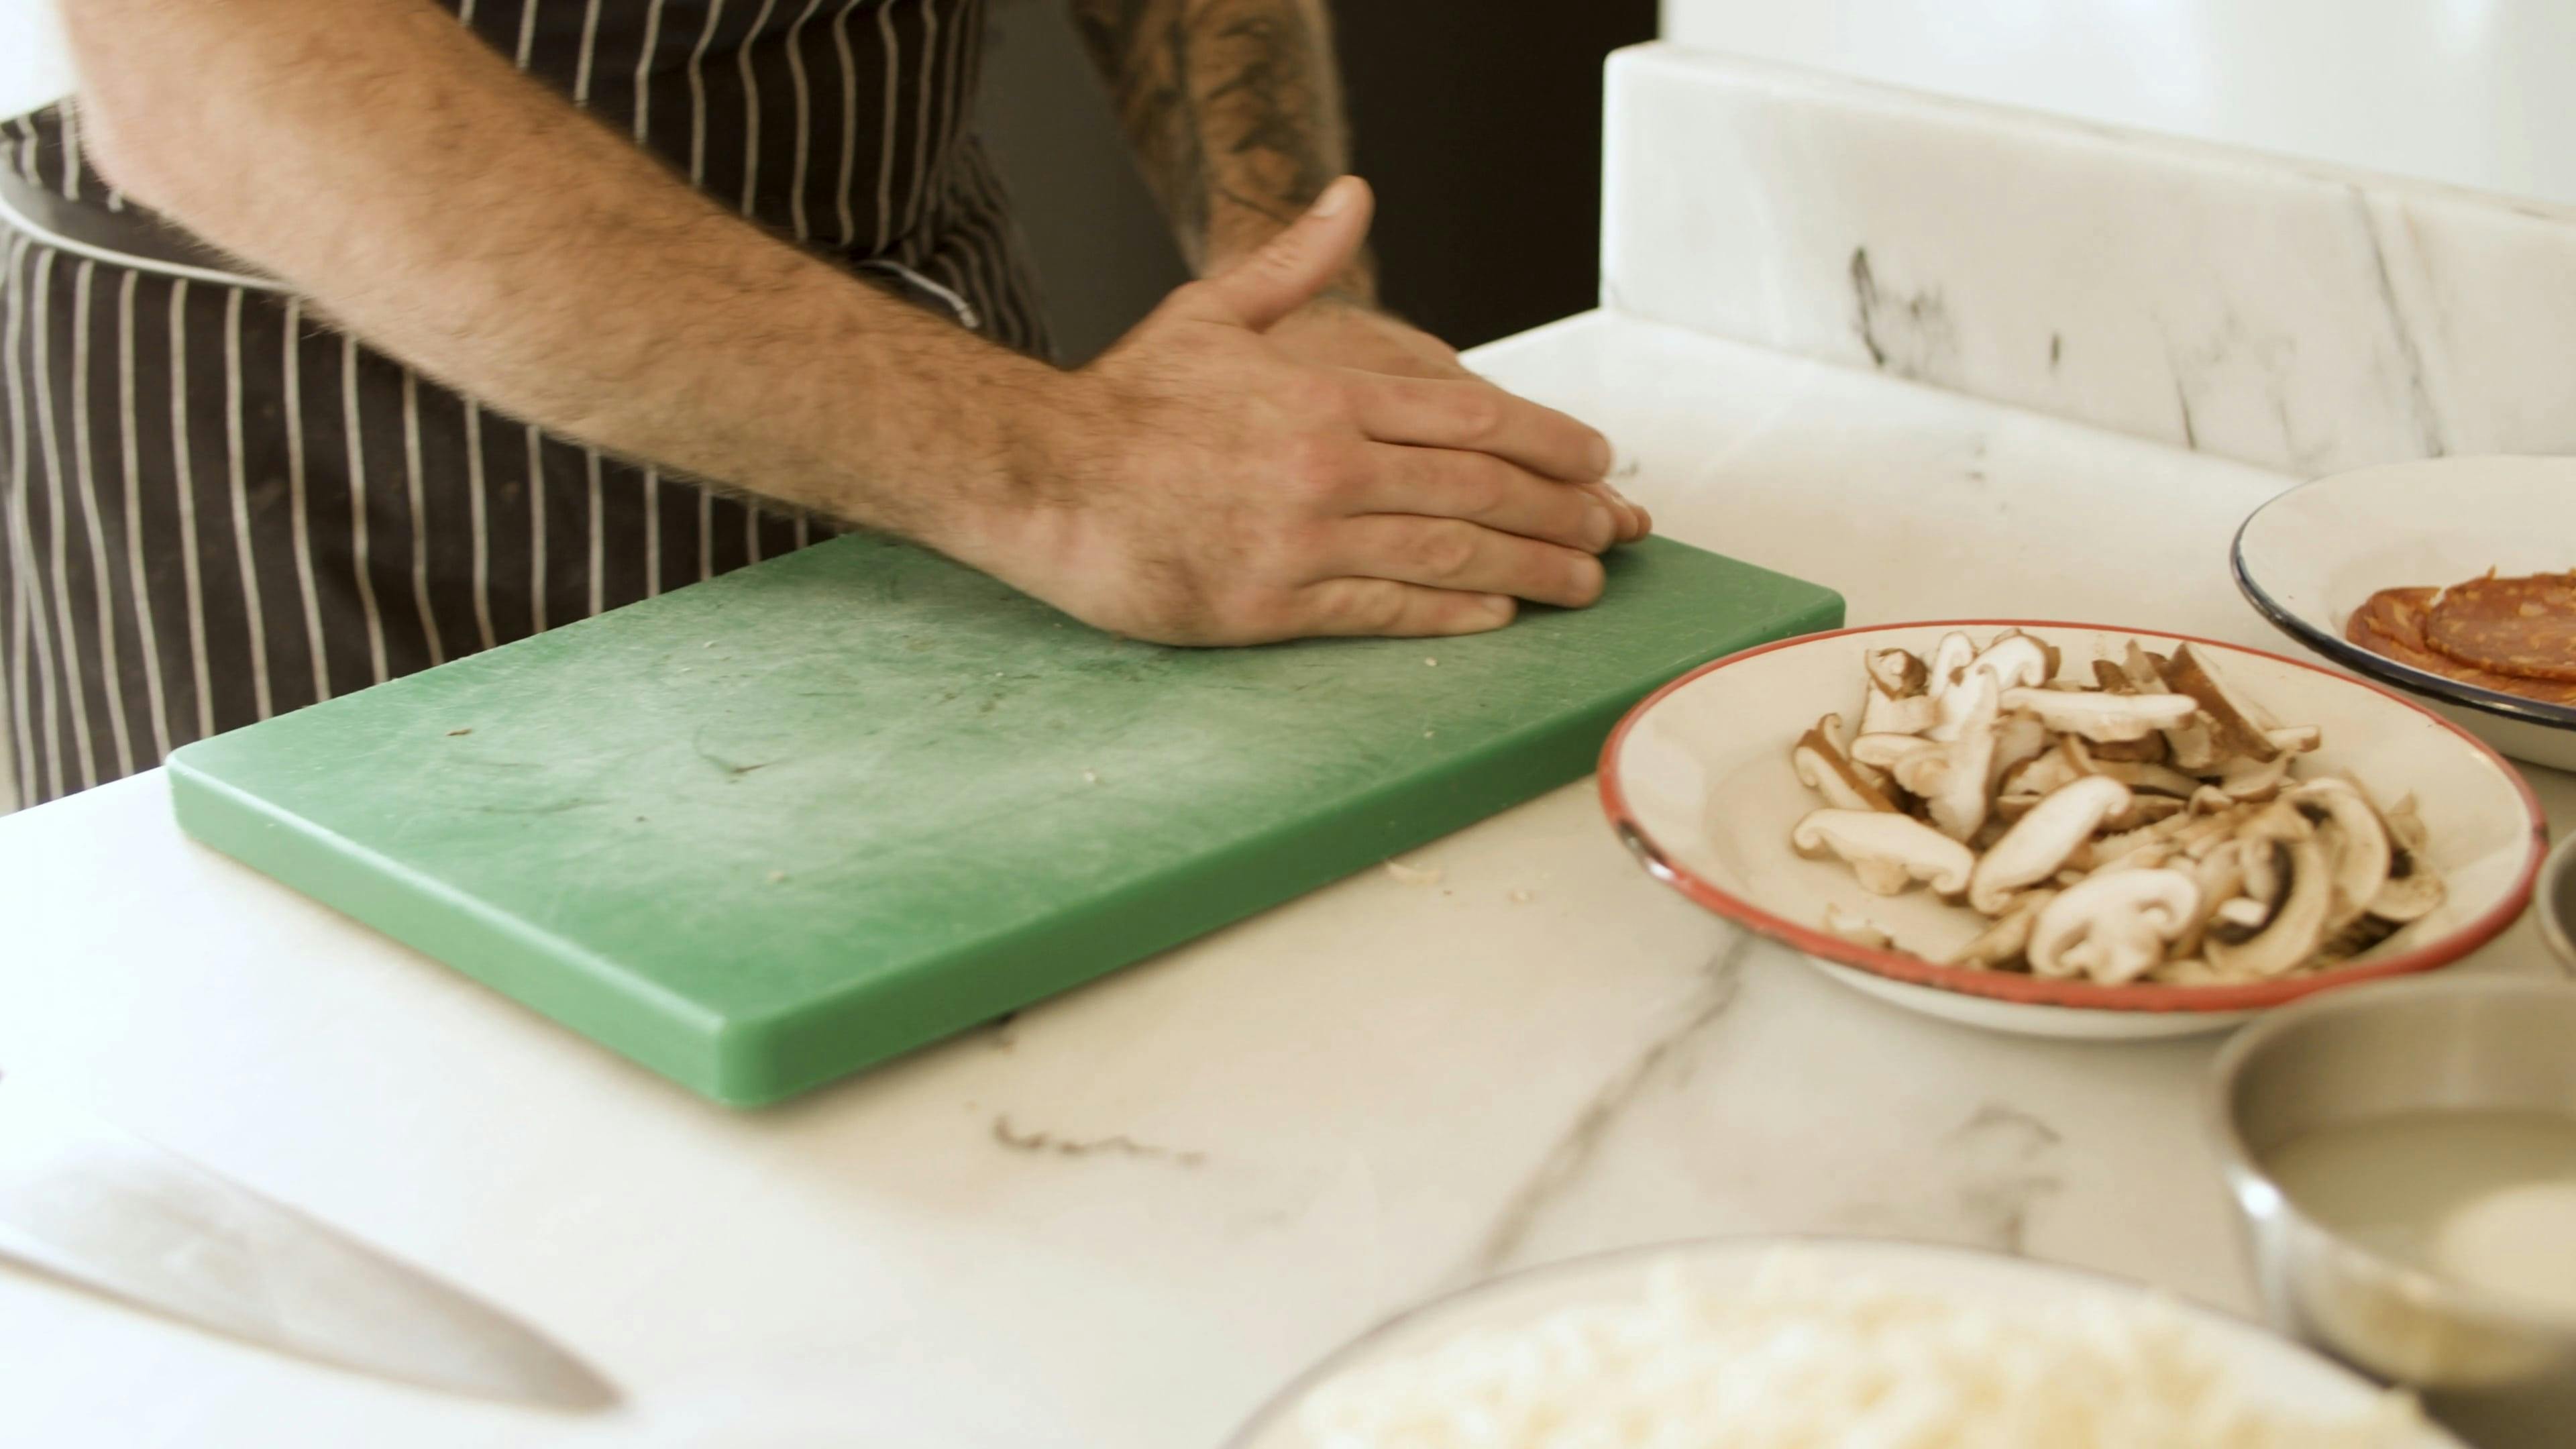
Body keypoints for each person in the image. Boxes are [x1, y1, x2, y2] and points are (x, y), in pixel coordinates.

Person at [0, 0, 1647, 806]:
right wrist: (1064, 476)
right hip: (323, 460)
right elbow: (215, 62)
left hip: (952, 381)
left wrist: (1289, 278)